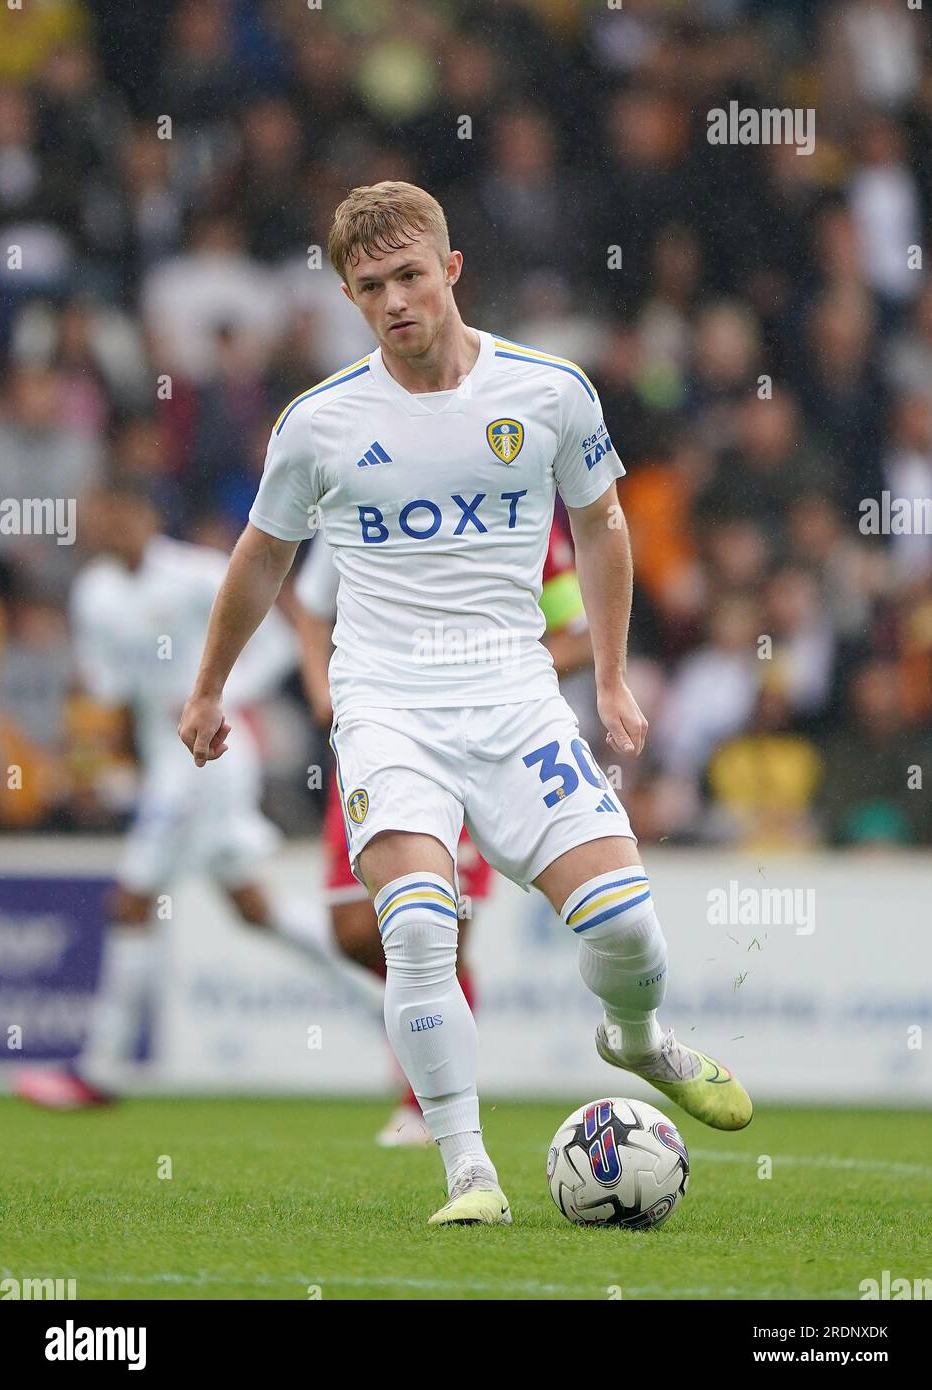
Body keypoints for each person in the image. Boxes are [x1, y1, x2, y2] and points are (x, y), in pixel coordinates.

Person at [179, 181, 752, 1226]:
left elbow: (605, 526)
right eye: (369, 286)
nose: (394, 299)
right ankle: (466, 1167)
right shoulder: (320, 422)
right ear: (351, 298)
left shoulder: (547, 391)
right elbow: (262, 556)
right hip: (387, 705)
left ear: (449, 270)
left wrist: (612, 675)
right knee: (416, 928)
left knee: (627, 931)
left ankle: (634, 1037)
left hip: (515, 699)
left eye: (408, 275)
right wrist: (209, 685)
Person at [16, 481, 378, 1111]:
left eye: (125, 511)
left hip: (209, 760)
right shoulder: (93, 594)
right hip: (164, 760)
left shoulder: (195, 574)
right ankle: (387, 1001)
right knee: (254, 908)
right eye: (104, 514)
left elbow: (279, 639)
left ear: (148, 513)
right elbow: (107, 686)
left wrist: (223, 698)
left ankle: (98, 1069)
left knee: (129, 900)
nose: (114, 525)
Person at [291, 518, 593, 1146]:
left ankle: (426, 1105)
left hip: (474, 749)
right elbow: (312, 607)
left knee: (441, 935)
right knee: (352, 933)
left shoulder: (522, 519)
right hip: (378, 742)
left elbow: (576, 634)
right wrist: (323, 690)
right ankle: (431, 1024)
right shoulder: (362, 499)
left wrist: (497, 669)